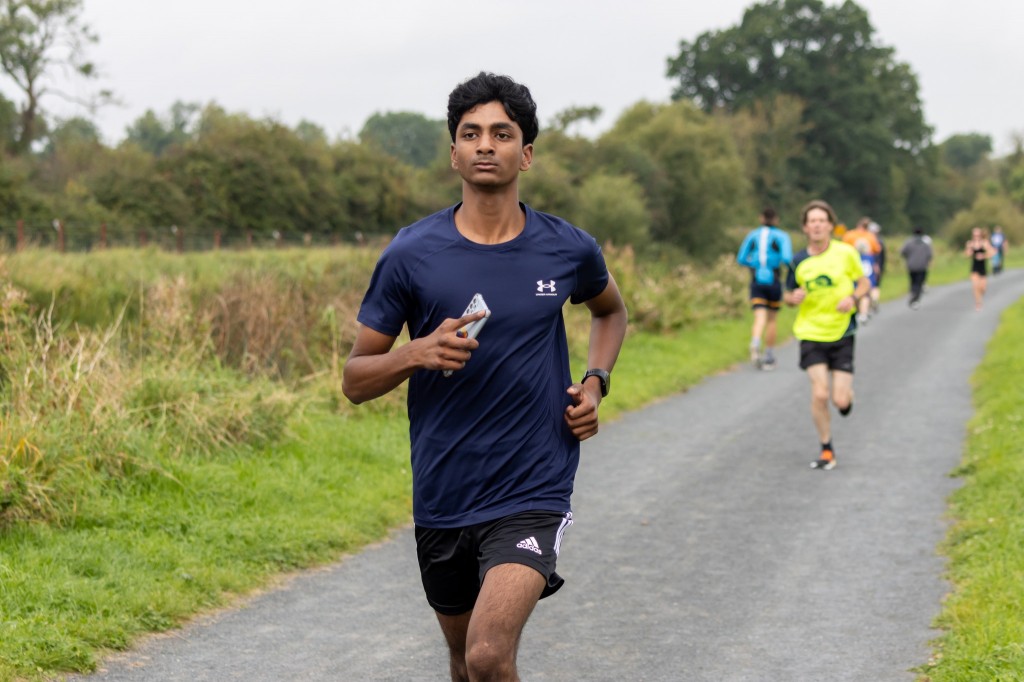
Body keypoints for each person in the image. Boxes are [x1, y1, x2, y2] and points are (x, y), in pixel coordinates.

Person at [341, 72, 628, 682]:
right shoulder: (411, 254)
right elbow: (355, 378)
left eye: (502, 133)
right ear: (454, 153)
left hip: (533, 485)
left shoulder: (567, 248)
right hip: (444, 490)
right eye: (470, 133)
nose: (485, 144)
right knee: (461, 660)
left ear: (525, 152)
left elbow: (610, 311)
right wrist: (413, 354)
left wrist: (596, 381)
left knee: (488, 653)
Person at [784, 200, 871, 471]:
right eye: (812, 221)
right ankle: (826, 448)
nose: (817, 225)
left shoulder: (845, 253)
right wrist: (793, 297)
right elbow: (788, 295)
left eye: (822, 220)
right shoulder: (798, 261)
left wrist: (852, 298)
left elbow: (865, 283)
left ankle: (847, 400)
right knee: (820, 394)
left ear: (831, 225)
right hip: (810, 332)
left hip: (842, 331)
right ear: (805, 228)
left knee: (839, 399)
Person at [736, 206, 793, 370]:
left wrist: (754, 264)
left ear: (761, 218)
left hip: (756, 280)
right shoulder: (781, 236)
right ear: (776, 220)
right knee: (772, 319)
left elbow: (741, 258)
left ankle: (755, 342)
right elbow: (787, 258)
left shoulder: (752, 235)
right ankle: (768, 354)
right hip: (774, 280)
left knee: (759, 317)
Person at [841, 217, 881, 324]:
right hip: (867, 262)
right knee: (867, 288)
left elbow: (842, 248)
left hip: (851, 264)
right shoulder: (870, 236)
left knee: (855, 289)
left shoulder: (849, 235)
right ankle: (865, 310)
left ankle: (860, 311)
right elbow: (877, 250)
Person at [900, 227, 933, 309]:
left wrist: (908, 258)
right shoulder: (925, 244)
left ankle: (913, 295)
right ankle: (916, 299)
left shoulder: (909, 243)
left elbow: (903, 252)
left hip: (911, 266)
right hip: (922, 266)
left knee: (913, 282)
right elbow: (929, 255)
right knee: (919, 283)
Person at [964, 226, 996, 310]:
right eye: (974, 235)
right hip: (974, 267)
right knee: (975, 286)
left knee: (983, 288)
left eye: (977, 235)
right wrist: (969, 251)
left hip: (983, 268)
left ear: (980, 235)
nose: (976, 237)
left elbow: (992, 253)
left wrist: (983, 256)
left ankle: (980, 298)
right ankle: (978, 302)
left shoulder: (984, 243)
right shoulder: (970, 243)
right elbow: (967, 255)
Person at [868, 221, 886, 313]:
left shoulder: (864, 240)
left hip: (866, 266)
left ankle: (871, 301)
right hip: (875, 265)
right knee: (875, 285)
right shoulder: (879, 241)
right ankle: (874, 299)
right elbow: (882, 256)